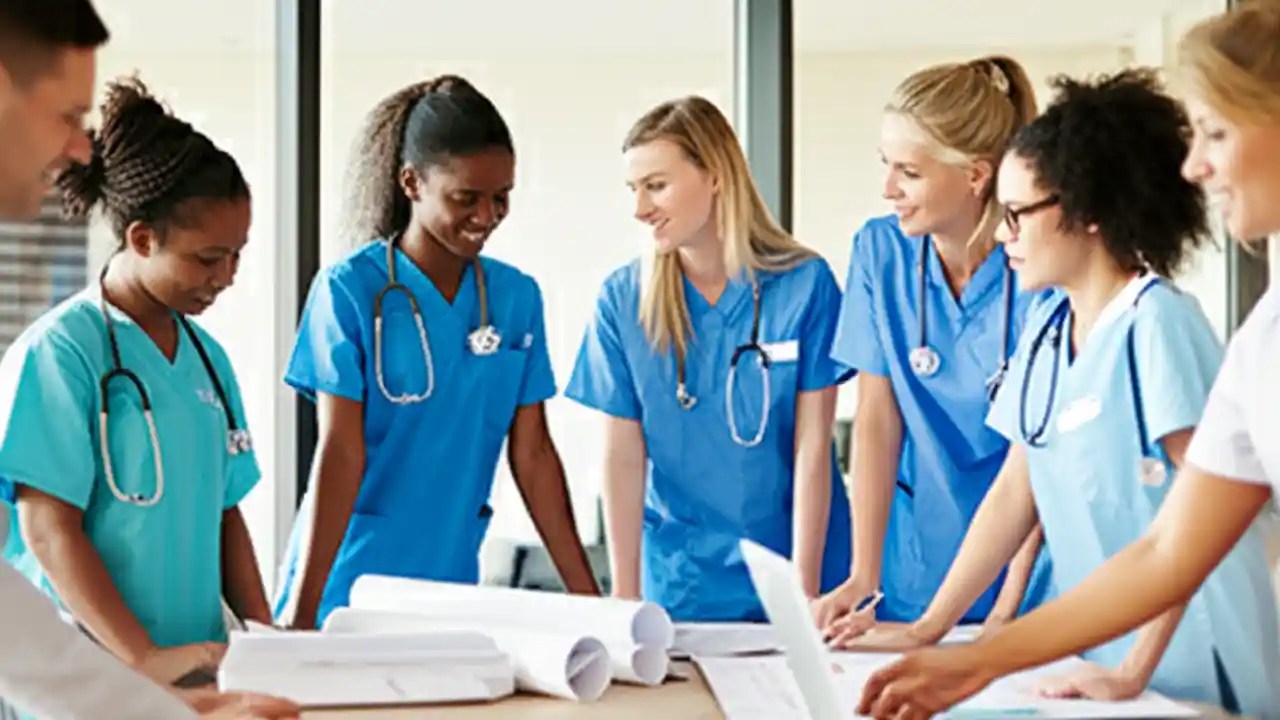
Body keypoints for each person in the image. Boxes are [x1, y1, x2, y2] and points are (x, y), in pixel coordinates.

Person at [857, 4, 1280, 718]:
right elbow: (1021, 496)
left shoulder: (1158, 324)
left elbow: (1191, 542)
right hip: (1106, 659)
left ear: (1085, 210)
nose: (1196, 164)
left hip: (1197, 667)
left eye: (1215, 131)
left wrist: (990, 652)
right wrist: (945, 637)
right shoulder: (1055, 327)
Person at [0, 3, 296, 719]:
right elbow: (47, 527)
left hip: (199, 668)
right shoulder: (61, 352)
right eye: (206, 257)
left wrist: (268, 639)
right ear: (139, 237)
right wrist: (137, 657)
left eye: (236, 256)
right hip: (93, 677)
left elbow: (226, 512)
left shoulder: (208, 360)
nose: (225, 276)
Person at [274, 74, 600, 630]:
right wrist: (301, 616)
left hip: (450, 590)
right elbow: (340, 452)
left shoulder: (515, 299)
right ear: (411, 182)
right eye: (465, 198)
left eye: (502, 198)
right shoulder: (349, 290)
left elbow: (534, 456)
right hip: (350, 587)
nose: (487, 216)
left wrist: (595, 605)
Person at [563, 95, 852, 622]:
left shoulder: (805, 285)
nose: (640, 208)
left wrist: (804, 594)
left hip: (795, 570)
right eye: (634, 189)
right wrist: (624, 602)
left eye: (656, 185)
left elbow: (815, 446)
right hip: (683, 583)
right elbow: (624, 458)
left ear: (715, 175)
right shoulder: (624, 301)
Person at [811, 55, 1053, 638]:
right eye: (885, 166)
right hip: (915, 571)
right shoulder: (880, 251)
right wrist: (863, 576)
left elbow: (1044, 457)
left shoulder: (1040, 266)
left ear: (975, 175)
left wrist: (1005, 611)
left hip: (1028, 578)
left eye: (909, 173)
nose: (888, 188)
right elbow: (876, 418)